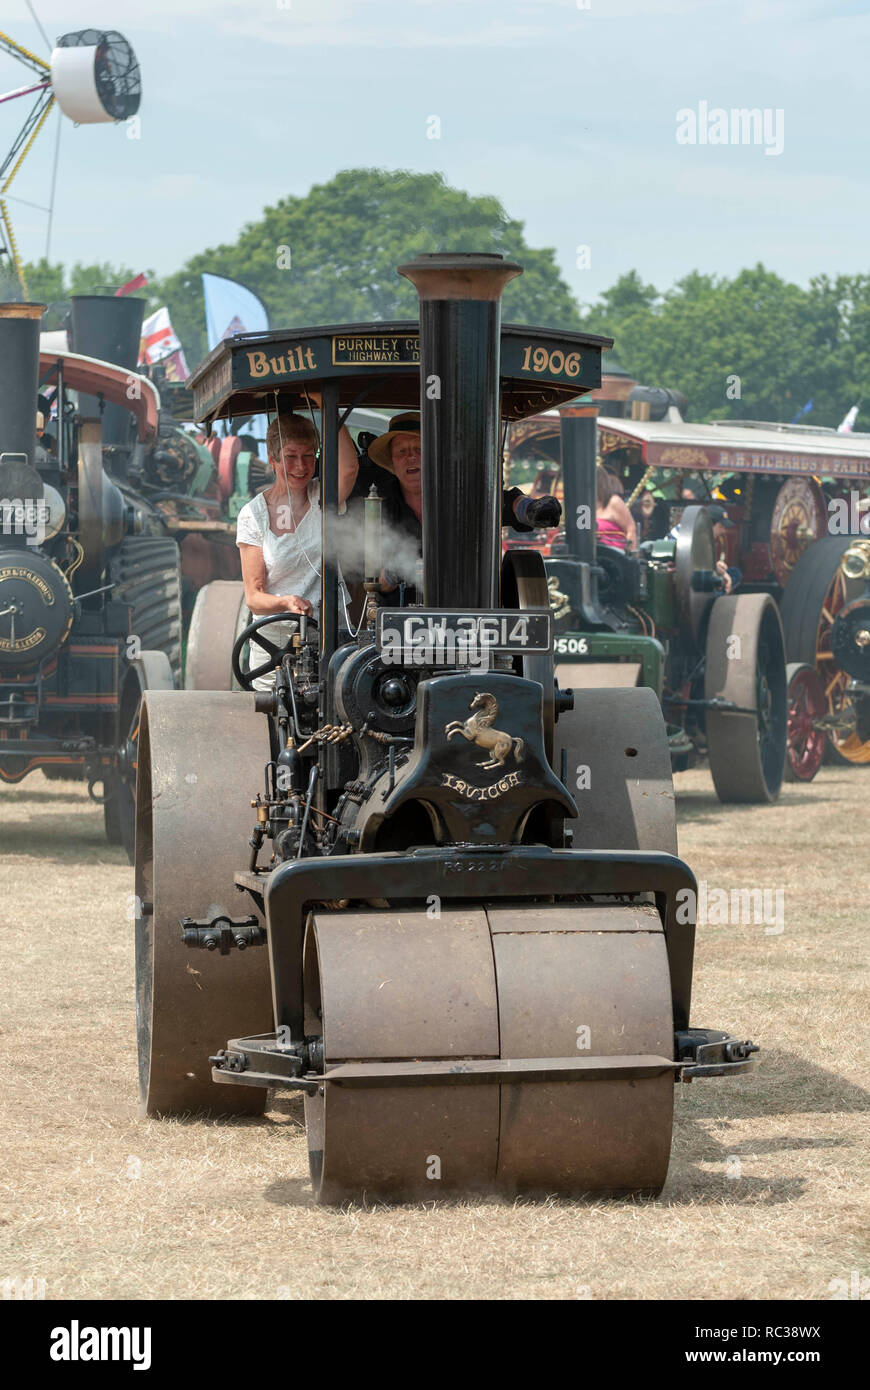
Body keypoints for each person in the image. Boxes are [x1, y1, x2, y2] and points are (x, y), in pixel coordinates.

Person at [364, 412, 562, 602]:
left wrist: (530, 509)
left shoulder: (461, 495)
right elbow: (370, 579)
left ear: (435, 456)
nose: (411, 457)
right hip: (395, 623)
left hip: (464, 615)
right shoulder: (377, 505)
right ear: (392, 460)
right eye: (401, 451)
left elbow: (506, 502)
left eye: (419, 449)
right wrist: (393, 572)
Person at [236, 407, 358, 685]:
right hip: (275, 646)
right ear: (273, 460)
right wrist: (285, 603)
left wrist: (324, 401)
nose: (300, 467)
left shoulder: (324, 497)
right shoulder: (253, 515)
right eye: (290, 457)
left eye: (308, 457)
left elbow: (349, 468)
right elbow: (254, 597)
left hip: (328, 636)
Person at [668, 502, 741, 594]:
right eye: (721, 526)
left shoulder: (701, 533)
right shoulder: (688, 533)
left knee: (735, 573)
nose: (723, 531)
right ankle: (715, 597)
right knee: (710, 578)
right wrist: (722, 573)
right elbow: (688, 562)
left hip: (694, 574)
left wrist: (716, 565)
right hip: (681, 578)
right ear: (709, 524)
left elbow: (701, 560)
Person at [596, 465, 636, 552]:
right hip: (592, 553)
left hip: (614, 554)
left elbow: (630, 529)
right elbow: (583, 532)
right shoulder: (583, 506)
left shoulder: (614, 502)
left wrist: (630, 555)